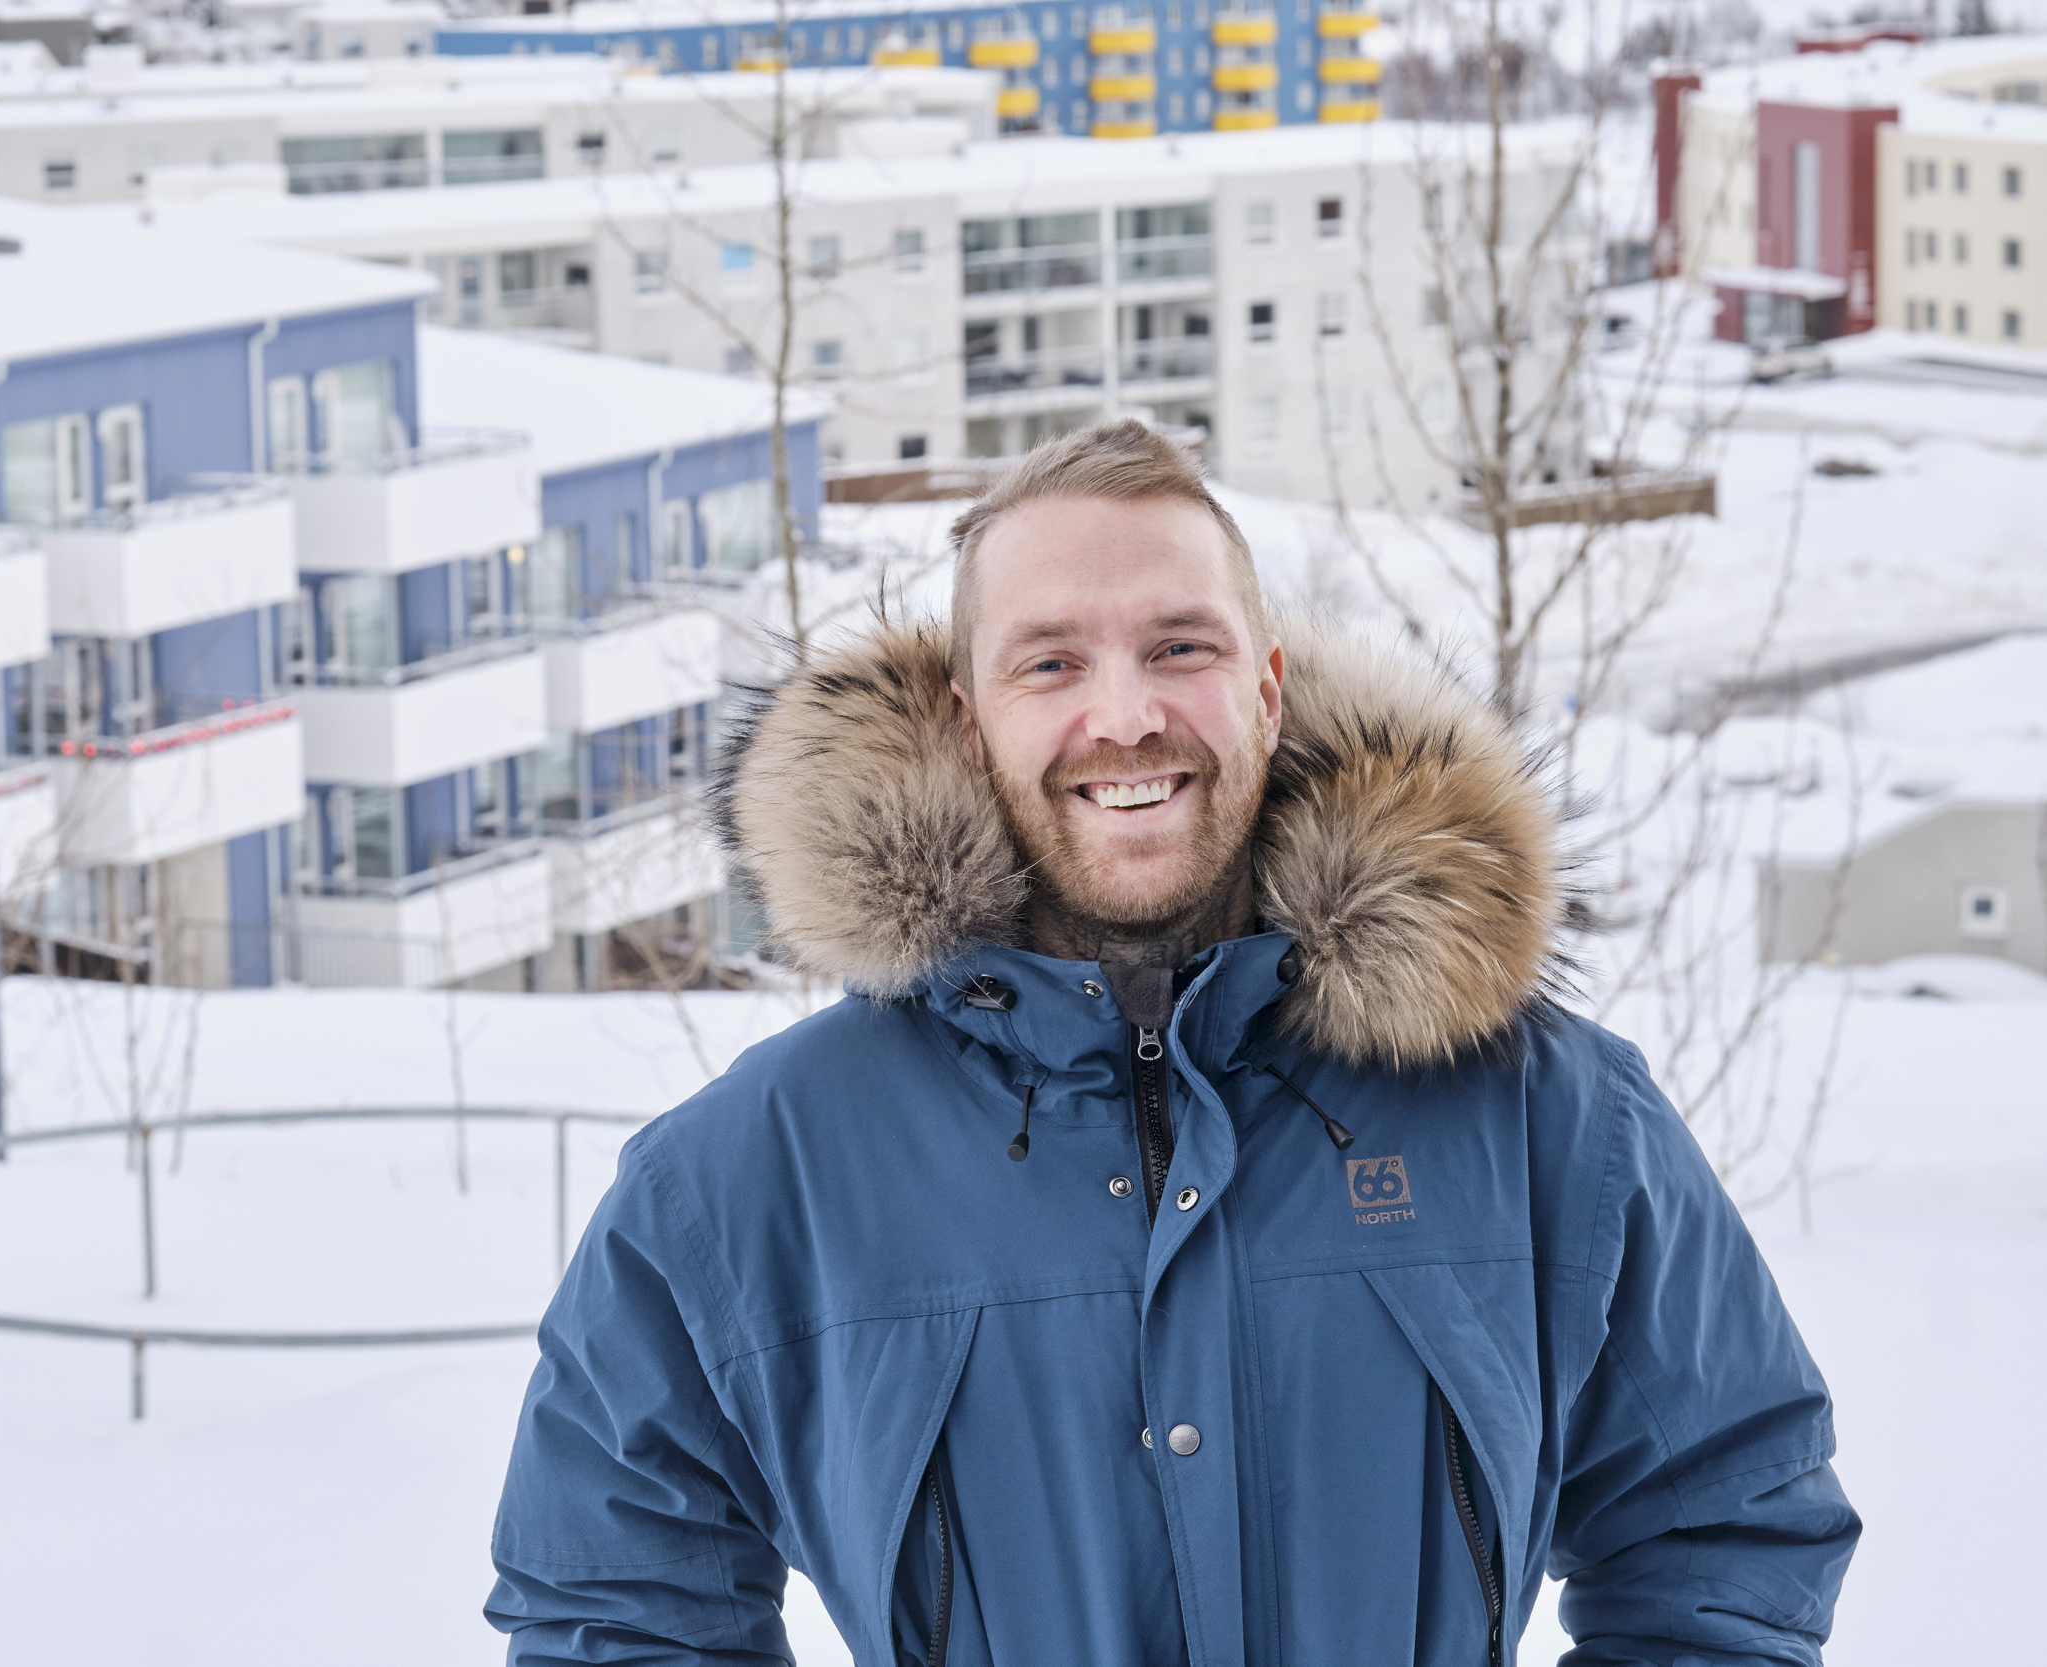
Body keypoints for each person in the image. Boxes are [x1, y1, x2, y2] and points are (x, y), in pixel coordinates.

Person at [484, 419, 1857, 1666]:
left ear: (1264, 688)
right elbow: (614, 1604)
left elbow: (1725, 1526)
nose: (1126, 713)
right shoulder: (752, 1179)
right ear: (972, 721)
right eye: (1053, 661)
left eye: (1180, 648)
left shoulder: (1550, 1119)